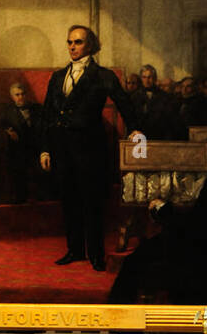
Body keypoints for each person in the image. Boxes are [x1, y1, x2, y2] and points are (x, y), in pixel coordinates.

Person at [39, 23, 140, 271]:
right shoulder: (57, 76)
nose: (72, 47)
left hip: (89, 150)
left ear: (91, 45)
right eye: (70, 42)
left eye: (78, 42)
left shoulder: (103, 76)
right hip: (62, 149)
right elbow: (46, 116)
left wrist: (136, 128)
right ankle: (74, 250)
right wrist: (45, 149)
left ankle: (96, 254)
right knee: (69, 201)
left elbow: (125, 104)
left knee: (92, 202)